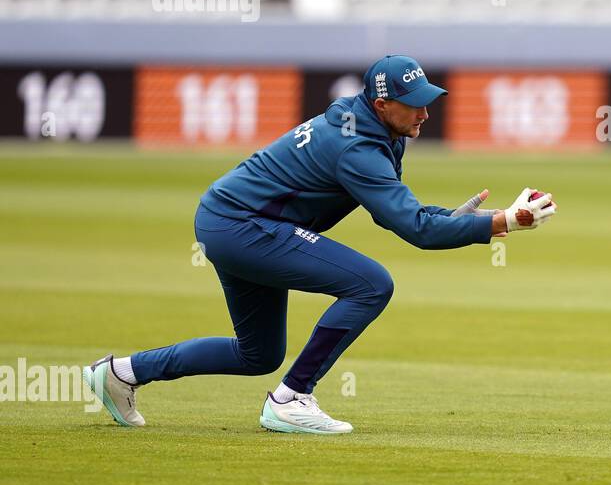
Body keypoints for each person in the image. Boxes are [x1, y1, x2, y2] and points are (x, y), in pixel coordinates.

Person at [82, 54, 556, 434]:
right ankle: (291, 400)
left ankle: (122, 372)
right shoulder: (358, 147)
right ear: (380, 104)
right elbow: (415, 230)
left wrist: (473, 219)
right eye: (414, 103)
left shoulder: (374, 130)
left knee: (258, 355)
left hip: (228, 220)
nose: (425, 112)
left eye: (427, 99)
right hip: (245, 226)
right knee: (371, 284)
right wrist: (504, 223)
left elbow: (399, 212)